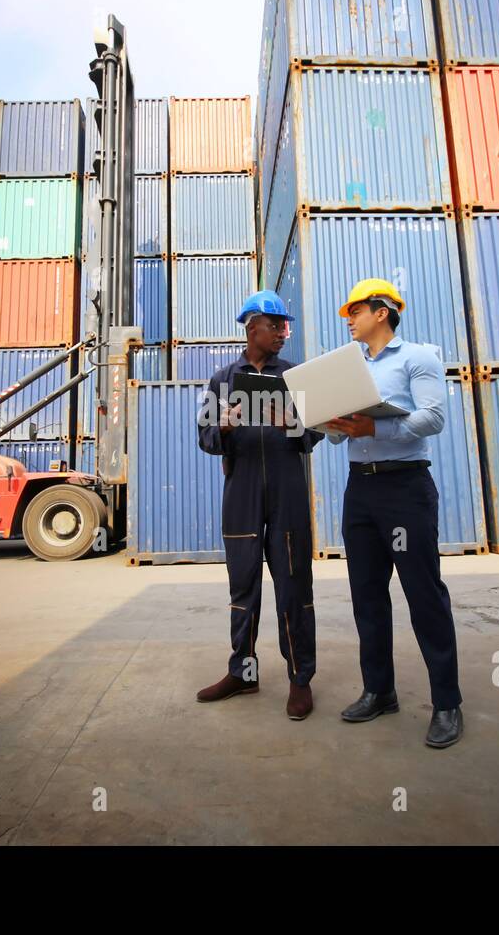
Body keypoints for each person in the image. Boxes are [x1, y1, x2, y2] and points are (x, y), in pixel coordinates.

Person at [324, 278, 463, 748]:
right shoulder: (352, 368)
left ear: (382, 312)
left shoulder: (417, 357)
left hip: (405, 488)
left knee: (423, 594)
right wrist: (335, 423)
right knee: (366, 595)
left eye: (356, 310)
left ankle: (446, 703)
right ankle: (379, 690)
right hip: (359, 490)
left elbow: (434, 418)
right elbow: (346, 435)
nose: (349, 318)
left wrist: (374, 424)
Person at [195, 290, 322, 720]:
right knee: (243, 587)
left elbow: (314, 435)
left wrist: (294, 425)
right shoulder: (222, 380)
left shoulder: (296, 376)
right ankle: (243, 673)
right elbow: (205, 438)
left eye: (286, 326)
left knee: (293, 586)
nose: (285, 334)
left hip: (287, 491)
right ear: (253, 329)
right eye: (278, 326)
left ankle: (300, 680)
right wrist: (226, 426)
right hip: (242, 492)